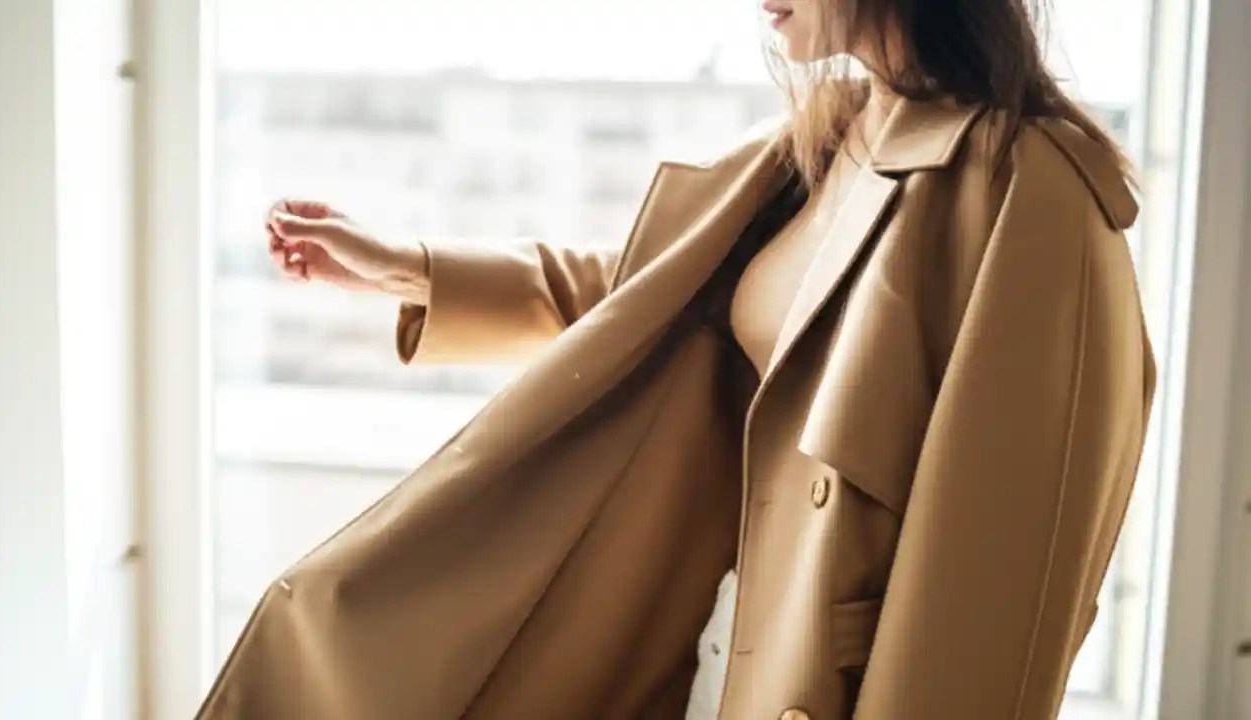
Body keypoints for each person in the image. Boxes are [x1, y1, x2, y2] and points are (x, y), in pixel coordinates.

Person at [201, 1, 1156, 718]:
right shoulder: (840, 131)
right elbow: (654, 294)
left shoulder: (1034, 197)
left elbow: (997, 606)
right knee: (336, 631)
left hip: (818, 689)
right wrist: (404, 269)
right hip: (708, 655)